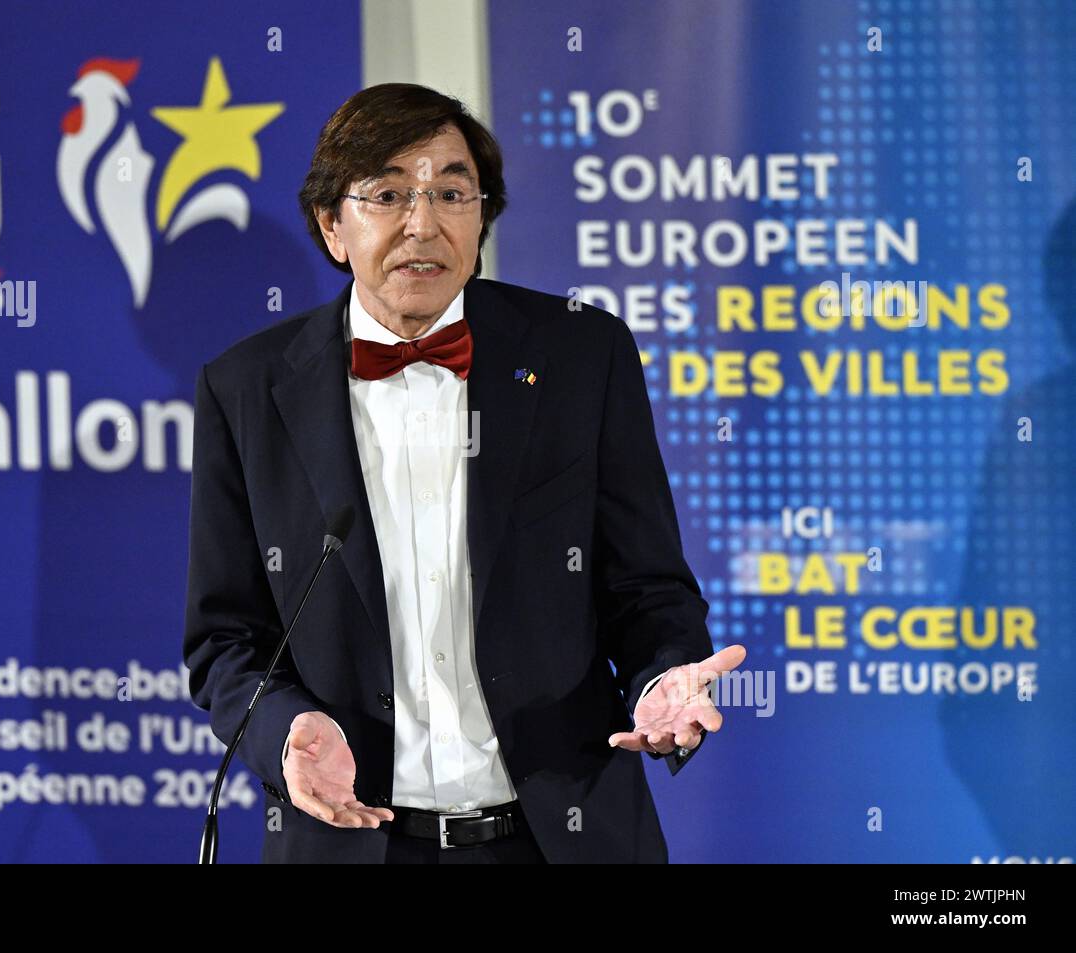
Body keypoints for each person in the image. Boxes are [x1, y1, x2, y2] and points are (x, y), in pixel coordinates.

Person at [182, 82, 745, 863]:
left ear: (481, 217)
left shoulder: (582, 355)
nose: (424, 222)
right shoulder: (246, 389)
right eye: (388, 194)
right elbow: (224, 639)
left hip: (559, 836)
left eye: (451, 191)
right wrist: (285, 732)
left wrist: (660, 679)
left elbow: (646, 586)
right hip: (356, 840)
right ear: (331, 226)